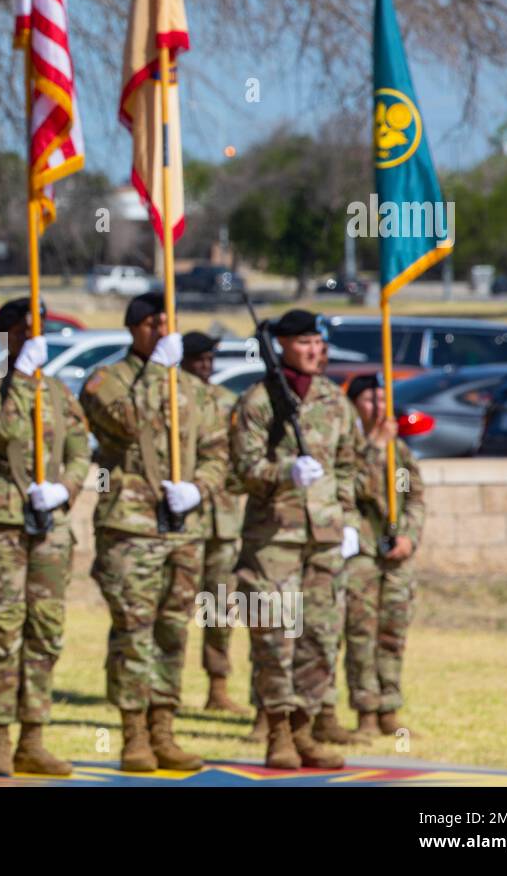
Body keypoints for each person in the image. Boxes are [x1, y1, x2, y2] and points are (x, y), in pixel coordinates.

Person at [82, 296, 229, 772]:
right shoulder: (108, 381)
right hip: (130, 524)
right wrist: (155, 375)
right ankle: (133, 734)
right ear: (133, 329)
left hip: (183, 526)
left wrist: (198, 489)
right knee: (133, 629)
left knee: (173, 630)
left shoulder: (195, 390)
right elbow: (125, 422)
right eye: (152, 324)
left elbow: (216, 451)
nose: (162, 333)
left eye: (169, 325)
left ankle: (164, 727)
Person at [0, 297, 90, 776]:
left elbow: (80, 448)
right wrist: (19, 379)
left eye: (38, 333)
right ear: (7, 337)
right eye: (23, 333)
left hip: (50, 525)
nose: (34, 341)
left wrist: (65, 487)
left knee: (46, 630)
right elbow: (6, 433)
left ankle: (32, 736)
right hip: (1, 524)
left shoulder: (58, 392)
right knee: (2, 630)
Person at [231, 308, 359, 770]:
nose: (314, 350)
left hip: (324, 536)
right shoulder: (258, 401)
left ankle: (306, 728)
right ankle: (278, 731)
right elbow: (244, 470)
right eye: (304, 342)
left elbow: (349, 464)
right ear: (282, 344)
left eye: (318, 342)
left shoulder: (333, 400)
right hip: (275, 538)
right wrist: (287, 472)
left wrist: (347, 521)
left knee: (320, 636)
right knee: (275, 638)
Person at [343, 373, 425, 740]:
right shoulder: (350, 445)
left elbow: (414, 496)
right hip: (360, 550)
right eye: (369, 400)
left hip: (395, 553)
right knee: (361, 633)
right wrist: (375, 446)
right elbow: (352, 487)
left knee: (392, 632)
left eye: (382, 400)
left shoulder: (400, 452)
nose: (377, 407)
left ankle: (390, 705)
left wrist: (409, 533)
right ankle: (366, 711)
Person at [180, 331, 250, 717]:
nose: (205, 367)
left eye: (210, 360)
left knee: (220, 607)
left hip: (222, 520)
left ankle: (218, 684)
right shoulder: (174, 400)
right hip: (182, 520)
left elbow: (239, 459)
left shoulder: (226, 402)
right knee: (169, 606)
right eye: (197, 360)